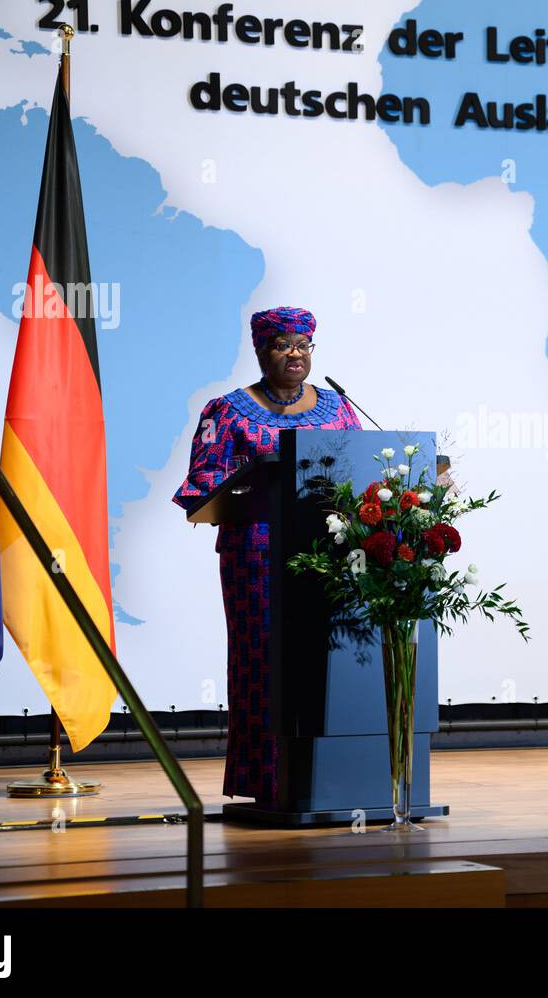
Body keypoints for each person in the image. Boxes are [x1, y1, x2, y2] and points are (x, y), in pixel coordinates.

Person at [173, 306, 361, 807]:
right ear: (260, 351)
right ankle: (266, 781)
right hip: (254, 557)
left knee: (328, 662)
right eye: (283, 344)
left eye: (303, 344)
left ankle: (328, 777)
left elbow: (363, 471)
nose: (295, 354)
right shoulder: (228, 410)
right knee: (263, 662)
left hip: (327, 554)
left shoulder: (338, 407)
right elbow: (201, 482)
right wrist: (257, 474)